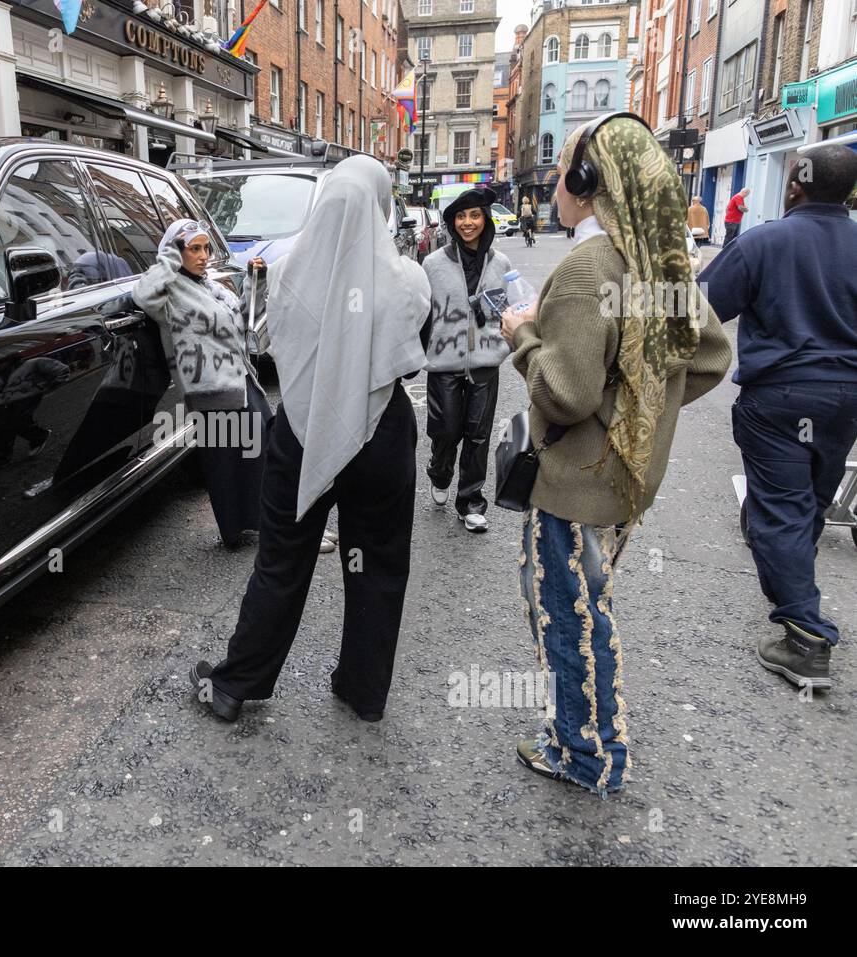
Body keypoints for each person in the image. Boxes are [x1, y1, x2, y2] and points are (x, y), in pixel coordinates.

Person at [500, 115, 732, 796]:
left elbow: (566, 393)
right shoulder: (656, 256)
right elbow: (713, 355)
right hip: (629, 478)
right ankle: (590, 738)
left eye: (569, 168)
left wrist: (521, 335)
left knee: (567, 612)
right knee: (585, 603)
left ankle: (586, 751)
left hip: (578, 481)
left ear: (586, 181)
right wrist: (641, 410)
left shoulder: (587, 266)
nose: (557, 183)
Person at [190, 155, 430, 724]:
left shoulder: (292, 269)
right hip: (381, 433)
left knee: (280, 561)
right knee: (376, 563)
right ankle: (362, 689)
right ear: (381, 204)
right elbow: (411, 366)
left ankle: (235, 684)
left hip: (300, 428)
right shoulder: (409, 280)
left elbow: (274, 348)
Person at [700, 145, 857, 691]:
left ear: (796, 186)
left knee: (782, 510)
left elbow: (699, 309)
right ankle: (799, 594)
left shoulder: (763, 241)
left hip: (783, 398)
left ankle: (806, 636)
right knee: (811, 499)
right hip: (845, 399)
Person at [133, 219, 272, 549]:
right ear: (175, 251)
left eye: (206, 248)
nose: (203, 255)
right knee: (226, 463)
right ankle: (252, 531)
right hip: (209, 389)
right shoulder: (169, 290)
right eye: (194, 248)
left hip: (239, 378)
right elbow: (143, 296)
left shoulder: (211, 286)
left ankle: (270, 526)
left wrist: (255, 283)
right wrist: (168, 256)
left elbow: (245, 323)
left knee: (260, 451)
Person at [420, 185, 513, 533]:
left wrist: (507, 341)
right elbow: (421, 314)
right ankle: (439, 471)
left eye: (474, 215)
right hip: (444, 361)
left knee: (478, 434)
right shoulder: (432, 264)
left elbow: (507, 310)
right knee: (445, 429)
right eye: (461, 216)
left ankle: (471, 501)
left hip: (485, 360)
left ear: (485, 219)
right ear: (452, 222)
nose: (467, 222)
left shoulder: (500, 263)